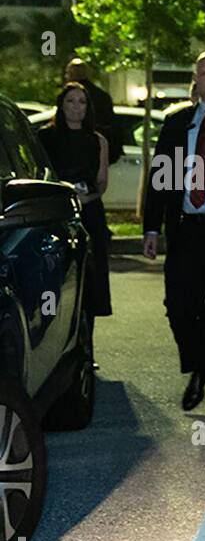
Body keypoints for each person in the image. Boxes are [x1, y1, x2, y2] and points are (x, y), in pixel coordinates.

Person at [143, 51, 205, 420]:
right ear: (195, 79)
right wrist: (151, 227)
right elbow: (158, 178)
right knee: (180, 308)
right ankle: (200, 365)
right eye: (204, 74)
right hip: (186, 230)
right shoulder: (177, 123)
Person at [38, 82, 112, 363]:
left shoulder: (97, 140)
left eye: (82, 102)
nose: (76, 107)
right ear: (61, 105)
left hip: (89, 213)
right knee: (54, 283)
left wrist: (84, 198)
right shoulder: (45, 137)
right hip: (54, 214)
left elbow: (102, 182)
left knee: (90, 284)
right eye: (71, 101)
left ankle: (86, 349)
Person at [64, 58, 123, 164]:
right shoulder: (102, 95)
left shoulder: (70, 96)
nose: (66, 76)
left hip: (77, 147)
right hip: (98, 148)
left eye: (68, 73)